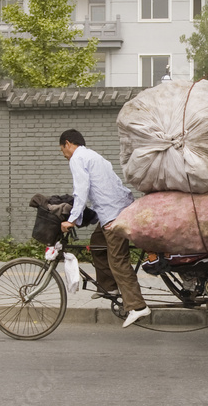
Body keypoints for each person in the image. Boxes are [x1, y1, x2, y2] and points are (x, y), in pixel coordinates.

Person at [58, 129, 151, 328]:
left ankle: (137, 305)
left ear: (67, 143)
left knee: (117, 260)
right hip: (115, 208)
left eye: (62, 150)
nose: (64, 155)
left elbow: (81, 190)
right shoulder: (93, 155)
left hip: (112, 213)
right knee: (97, 243)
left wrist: (72, 220)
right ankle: (110, 288)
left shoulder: (77, 158)